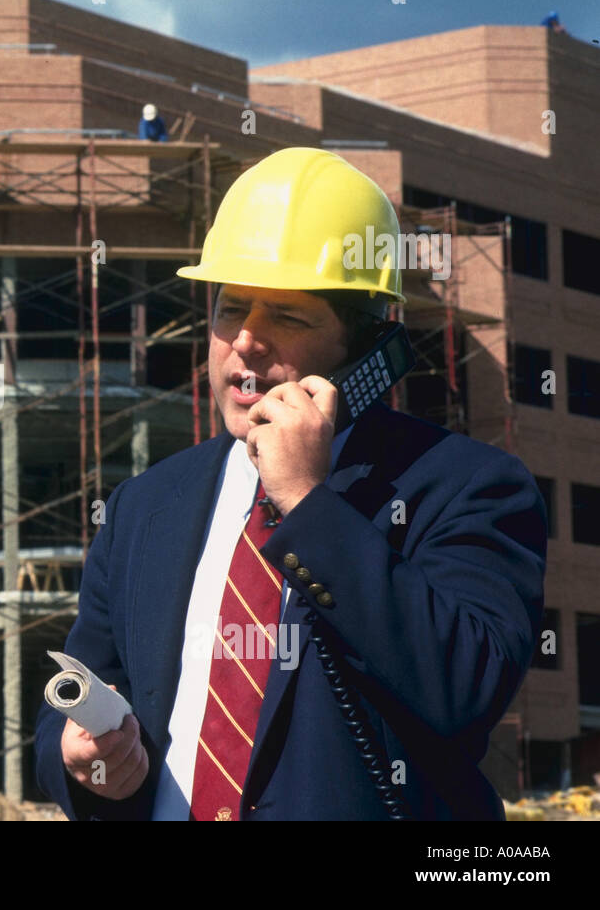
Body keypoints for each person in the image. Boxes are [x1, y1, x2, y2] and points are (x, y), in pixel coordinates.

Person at [34, 147, 547, 820]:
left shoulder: (470, 485)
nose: (245, 342)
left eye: (288, 316)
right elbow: (74, 696)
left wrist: (308, 504)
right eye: (230, 309)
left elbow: (465, 686)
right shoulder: (144, 506)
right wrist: (84, 761)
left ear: (365, 345)